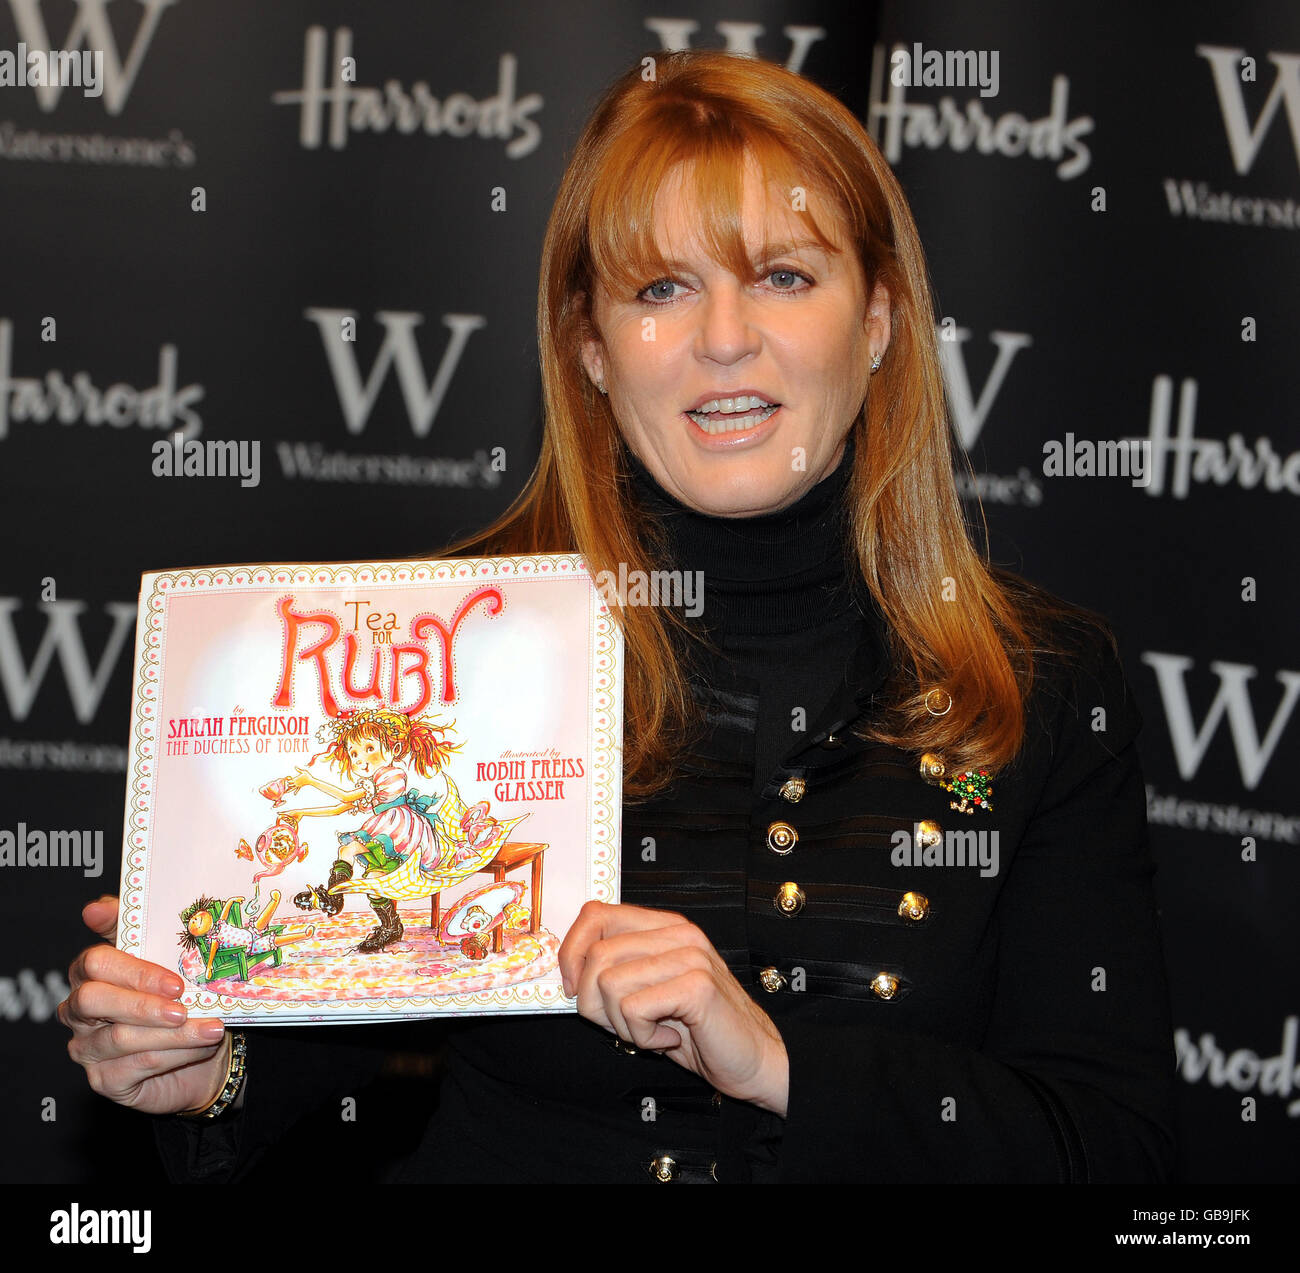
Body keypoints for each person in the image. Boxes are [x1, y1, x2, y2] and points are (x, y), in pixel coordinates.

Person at [61, 49, 1177, 1182]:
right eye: (660, 289)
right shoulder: (456, 648)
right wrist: (205, 1072)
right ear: (589, 347)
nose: (725, 337)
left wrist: (775, 1062)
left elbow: (1114, 1149)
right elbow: (333, 999)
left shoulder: (1041, 678)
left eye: (785, 276)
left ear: (880, 319)